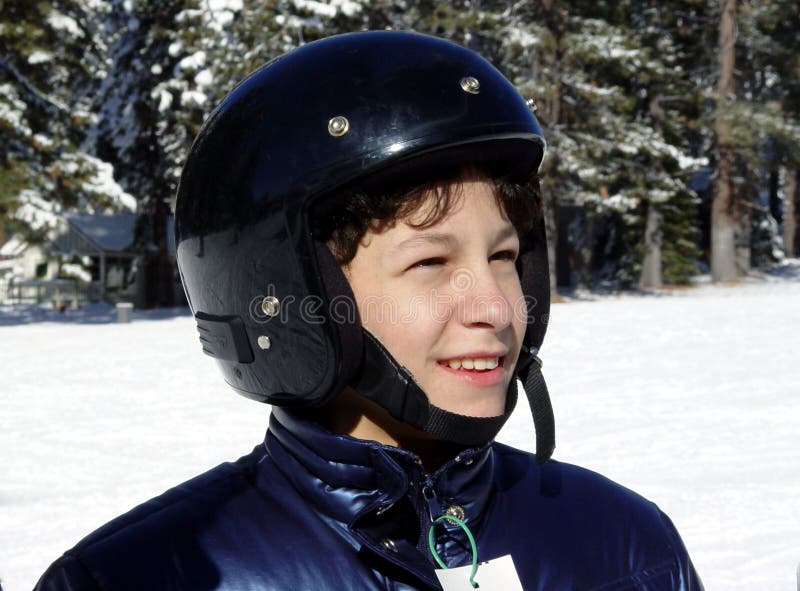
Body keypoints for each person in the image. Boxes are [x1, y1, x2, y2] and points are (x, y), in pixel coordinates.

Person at [35, 31, 703, 590]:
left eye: (503, 256)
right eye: (430, 263)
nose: (497, 306)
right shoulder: (145, 576)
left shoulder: (626, 546)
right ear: (288, 302)